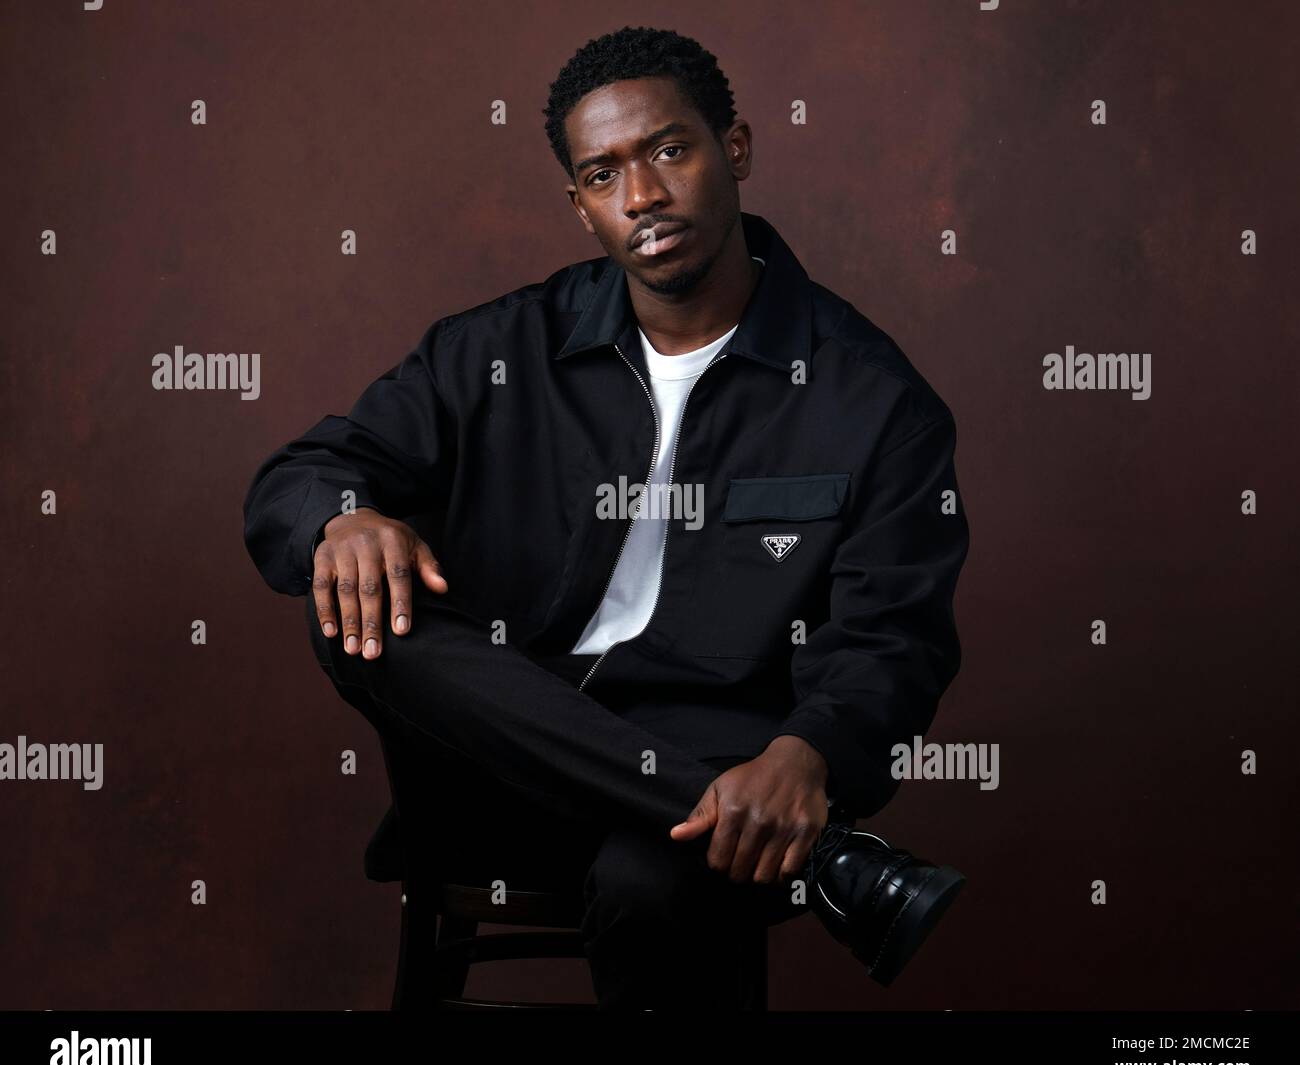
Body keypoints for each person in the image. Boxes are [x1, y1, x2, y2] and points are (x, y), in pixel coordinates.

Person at [243, 25, 971, 1010]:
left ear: (736, 150)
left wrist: (807, 757)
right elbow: (304, 469)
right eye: (603, 173)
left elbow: (896, 637)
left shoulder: (870, 398)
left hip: (728, 783)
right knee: (361, 610)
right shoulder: (500, 349)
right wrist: (344, 518)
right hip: (496, 774)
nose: (642, 197)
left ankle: (760, 827)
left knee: (655, 884)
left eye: (670, 151)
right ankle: (844, 866)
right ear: (579, 204)